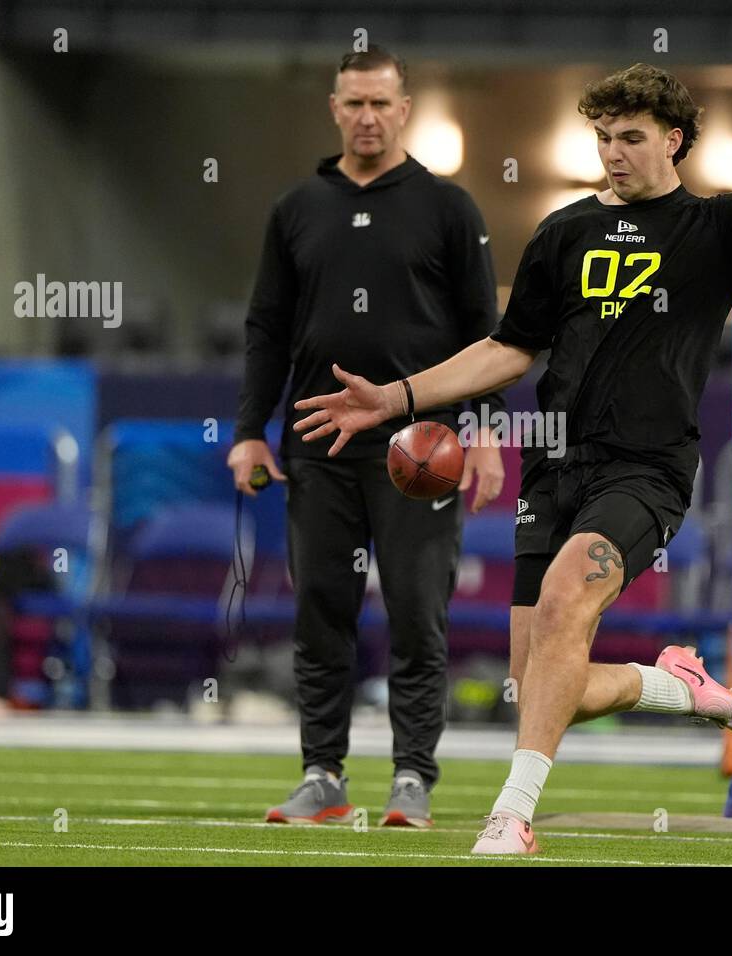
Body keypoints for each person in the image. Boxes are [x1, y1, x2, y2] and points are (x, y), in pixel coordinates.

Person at [291, 23, 732, 853]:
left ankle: (512, 816)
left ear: (674, 139)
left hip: (645, 471)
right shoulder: (562, 231)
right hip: (553, 470)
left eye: (630, 137)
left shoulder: (719, 229)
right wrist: (397, 399)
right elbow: (509, 349)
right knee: (537, 683)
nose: (613, 152)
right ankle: (674, 686)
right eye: (603, 137)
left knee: (563, 604)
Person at [227, 45, 507, 829]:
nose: (368, 117)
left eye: (381, 103)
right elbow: (266, 330)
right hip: (318, 443)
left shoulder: (450, 210)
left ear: (405, 108)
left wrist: (484, 431)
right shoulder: (296, 209)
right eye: (354, 103)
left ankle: (412, 777)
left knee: (419, 612)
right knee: (321, 609)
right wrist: (251, 431)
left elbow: (487, 334)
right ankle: (323, 775)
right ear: (334, 107)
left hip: (421, 446)